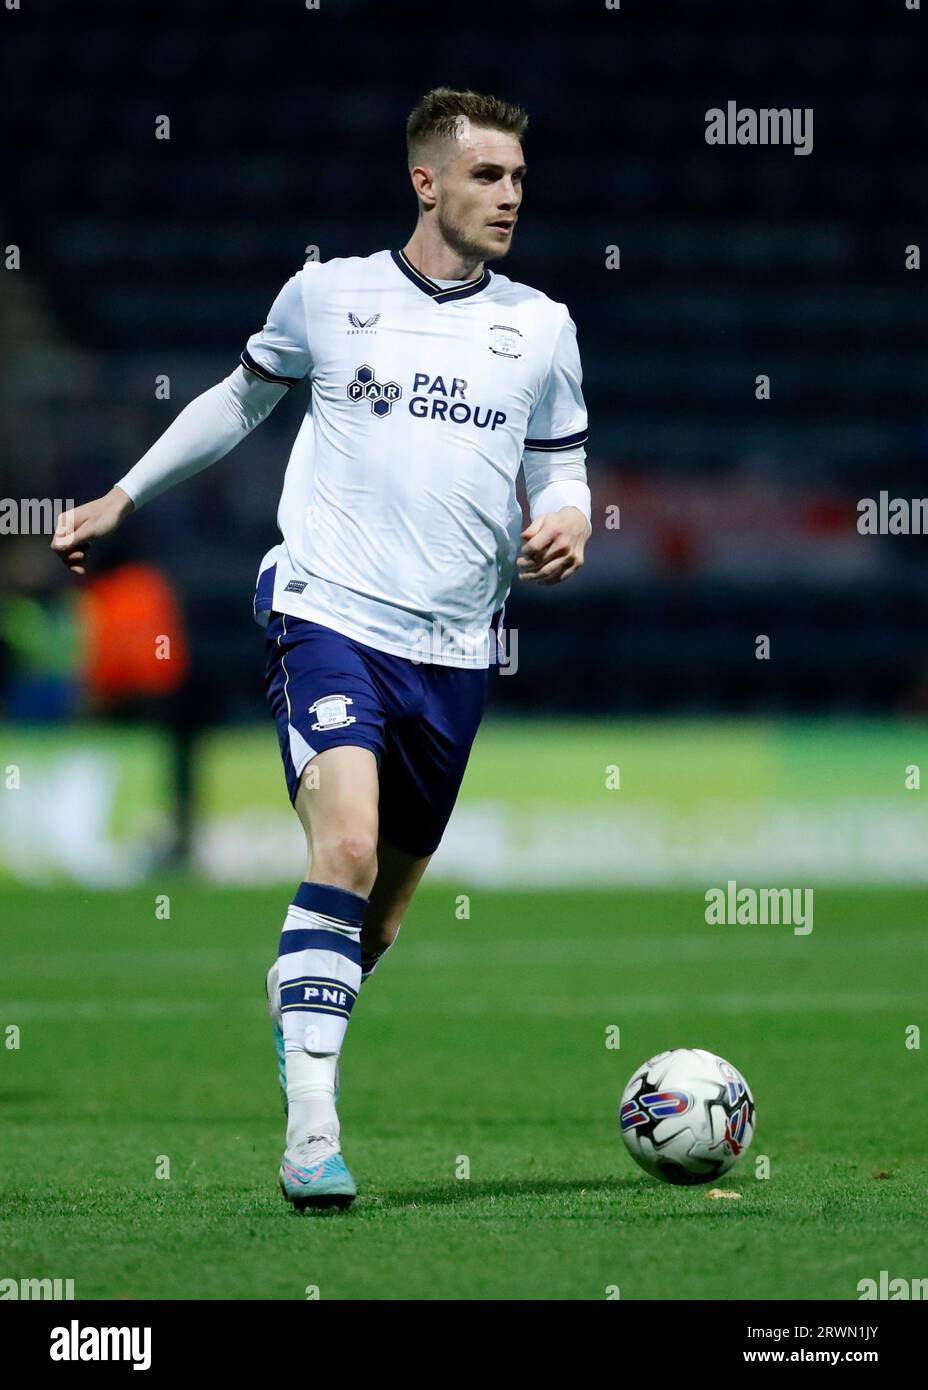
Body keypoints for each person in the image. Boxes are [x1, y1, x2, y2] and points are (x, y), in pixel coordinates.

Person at [52, 86, 592, 1210]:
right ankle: (312, 1136)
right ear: (425, 182)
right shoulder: (331, 296)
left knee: (377, 916)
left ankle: (306, 981)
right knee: (342, 849)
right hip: (330, 609)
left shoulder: (541, 326)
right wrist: (122, 494)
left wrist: (572, 516)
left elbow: (562, 466)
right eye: (487, 176)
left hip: (455, 645)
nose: (509, 198)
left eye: (519, 180)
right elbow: (240, 398)